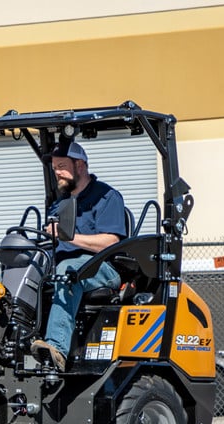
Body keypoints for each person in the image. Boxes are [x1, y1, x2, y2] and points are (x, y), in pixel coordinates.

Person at [31, 142, 127, 371]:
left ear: (80, 166)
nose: (57, 172)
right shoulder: (59, 205)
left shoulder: (106, 197)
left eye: (62, 166)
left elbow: (111, 242)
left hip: (101, 268)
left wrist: (68, 237)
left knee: (68, 271)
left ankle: (56, 348)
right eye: (54, 167)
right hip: (64, 264)